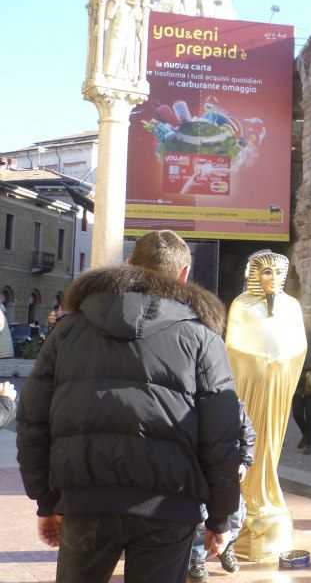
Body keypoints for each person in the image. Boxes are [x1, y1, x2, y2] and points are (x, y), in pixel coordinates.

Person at [16, 229, 241, 583]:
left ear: (130, 265)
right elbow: (223, 436)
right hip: (169, 506)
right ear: (183, 275)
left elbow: (32, 421)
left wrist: (46, 500)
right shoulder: (202, 339)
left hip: (86, 500)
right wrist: (220, 516)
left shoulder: (68, 330)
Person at [224, 250, 307, 562]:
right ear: (255, 275)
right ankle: (247, 501)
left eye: (277, 272)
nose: (271, 278)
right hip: (252, 385)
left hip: (278, 385)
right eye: (266, 272)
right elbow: (233, 345)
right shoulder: (241, 305)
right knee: (249, 443)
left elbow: (299, 345)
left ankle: (268, 495)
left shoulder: (292, 306)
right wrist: (260, 361)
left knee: (271, 444)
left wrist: (281, 362)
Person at [187, 401, 257, 582]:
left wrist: (244, 462)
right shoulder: (191, 405)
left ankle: (228, 546)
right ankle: (197, 558)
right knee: (201, 518)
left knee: (236, 512)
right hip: (200, 472)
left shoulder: (232, 405)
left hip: (228, 472)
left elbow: (247, 434)